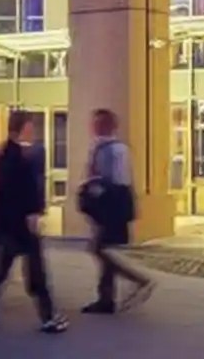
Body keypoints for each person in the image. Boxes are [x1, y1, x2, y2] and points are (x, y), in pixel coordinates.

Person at [0, 111, 69, 334]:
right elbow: (18, 191)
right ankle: (48, 315)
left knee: (3, 268)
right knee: (34, 270)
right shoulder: (15, 157)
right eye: (29, 125)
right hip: (19, 223)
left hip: (10, 223)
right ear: (22, 127)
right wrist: (31, 214)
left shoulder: (9, 154)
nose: (32, 129)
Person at [78, 109, 153, 315]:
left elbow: (119, 181)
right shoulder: (105, 147)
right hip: (110, 209)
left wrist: (95, 189)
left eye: (97, 124)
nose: (93, 127)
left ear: (106, 126)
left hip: (112, 209)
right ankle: (106, 299)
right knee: (108, 251)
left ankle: (139, 280)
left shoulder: (114, 150)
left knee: (102, 250)